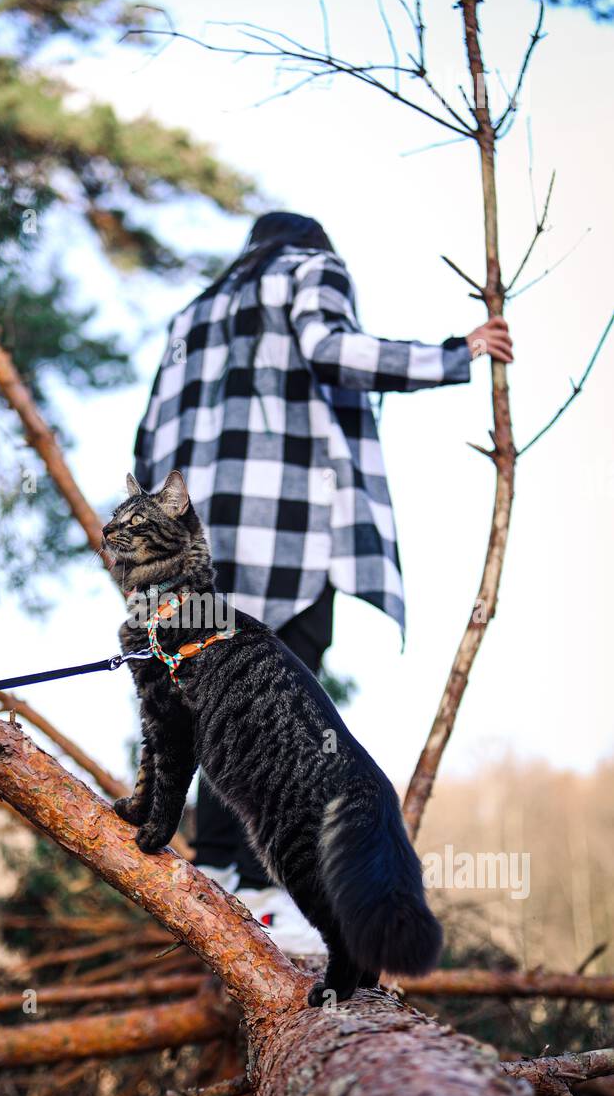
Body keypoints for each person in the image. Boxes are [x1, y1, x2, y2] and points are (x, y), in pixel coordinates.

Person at [131, 211, 513, 952]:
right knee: (278, 714)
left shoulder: (194, 311)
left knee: (211, 704)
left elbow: (150, 436)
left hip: (196, 547)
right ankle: (274, 898)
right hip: (288, 530)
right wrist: (453, 353)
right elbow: (332, 349)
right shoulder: (309, 270)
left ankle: (219, 878)